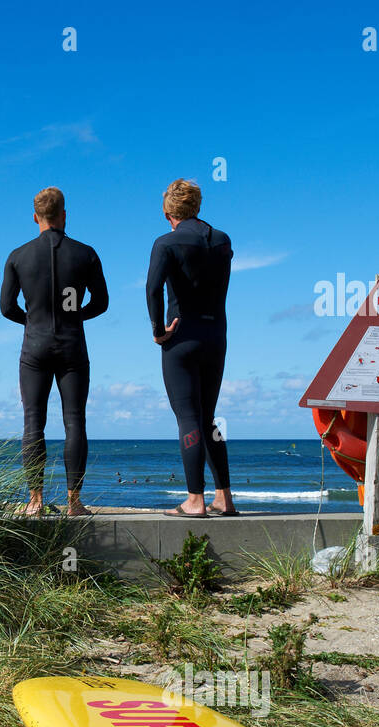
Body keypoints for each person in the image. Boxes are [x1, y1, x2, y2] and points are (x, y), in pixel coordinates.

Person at [1, 186, 109, 516]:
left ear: (35, 217)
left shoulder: (18, 256)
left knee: (33, 421)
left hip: (34, 347)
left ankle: (35, 501)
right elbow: (101, 303)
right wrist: (73, 314)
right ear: (64, 215)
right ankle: (74, 502)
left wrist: (32, 321)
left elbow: (7, 307)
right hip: (72, 345)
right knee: (74, 421)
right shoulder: (85, 253)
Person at [147, 178, 236, 517]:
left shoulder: (166, 242)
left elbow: (153, 290)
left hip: (181, 336)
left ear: (170, 212)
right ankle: (224, 498)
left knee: (188, 418)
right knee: (208, 417)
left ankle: (194, 500)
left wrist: (158, 330)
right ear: (197, 206)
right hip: (216, 335)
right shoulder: (222, 240)